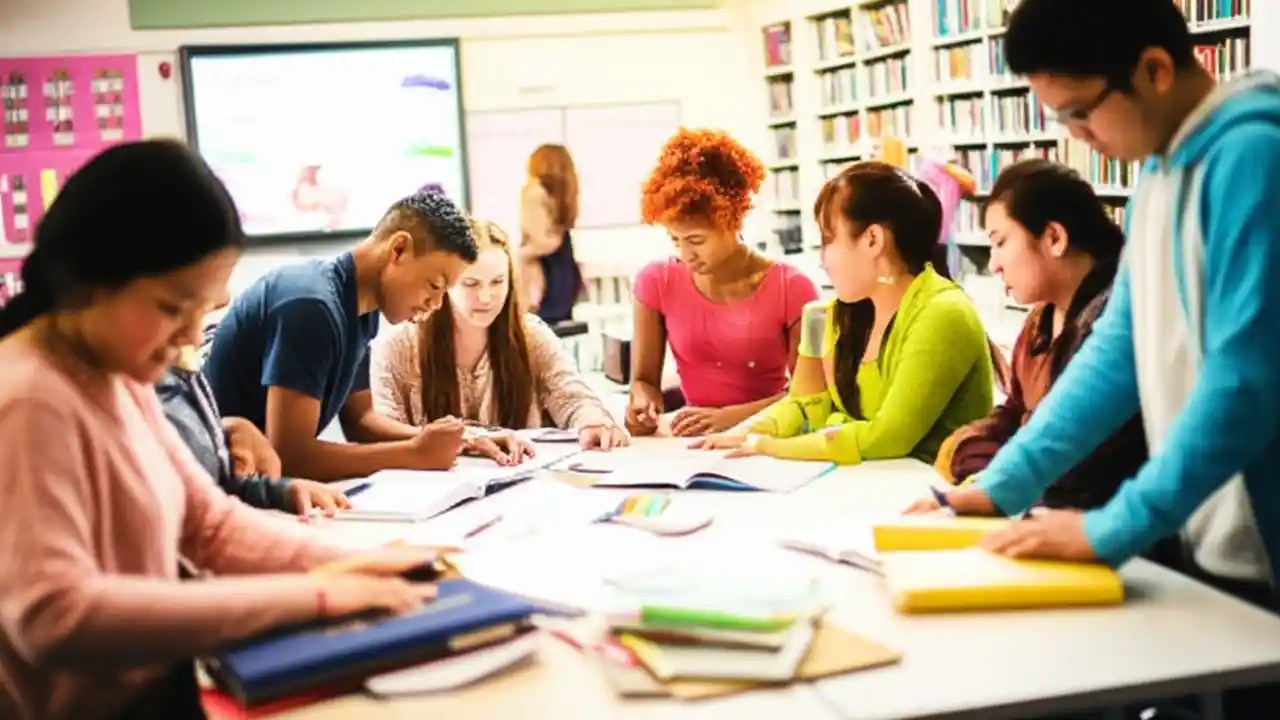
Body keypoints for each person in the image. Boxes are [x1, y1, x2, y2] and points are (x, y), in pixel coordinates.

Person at [0, 140, 440, 720]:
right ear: (91, 278)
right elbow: (55, 616)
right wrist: (315, 595)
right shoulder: (32, 396)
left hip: (157, 688)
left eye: (200, 311)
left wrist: (339, 561)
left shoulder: (117, 372)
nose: (189, 338)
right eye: (169, 307)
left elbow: (207, 522)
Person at [909, 0, 1280, 617]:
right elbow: (1117, 352)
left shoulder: (1253, 159)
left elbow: (1246, 380)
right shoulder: (1157, 178)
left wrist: (1110, 527)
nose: (1076, 136)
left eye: (1080, 112)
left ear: (1154, 70)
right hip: (1214, 530)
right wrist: (1004, 484)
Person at [203, 191, 519, 482]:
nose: (436, 305)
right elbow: (290, 457)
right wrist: (414, 454)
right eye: (434, 286)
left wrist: (461, 440)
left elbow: (362, 420)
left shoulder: (361, 311)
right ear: (398, 249)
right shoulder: (312, 307)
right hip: (220, 480)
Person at [696, 161, 994, 465]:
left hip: (936, 495)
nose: (822, 259)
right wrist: (744, 433)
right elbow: (803, 405)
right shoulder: (829, 317)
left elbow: (887, 438)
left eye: (828, 240)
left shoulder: (943, 314)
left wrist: (768, 446)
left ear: (872, 240)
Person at [933, 159, 1146, 511]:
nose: (993, 264)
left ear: (1054, 238)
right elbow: (1017, 411)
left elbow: (1087, 463)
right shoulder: (1041, 319)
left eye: (1000, 243)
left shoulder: (1111, 320)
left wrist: (991, 480)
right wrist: (970, 453)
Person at [373, 218, 628, 453]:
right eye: (471, 284)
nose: (485, 298)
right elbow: (382, 433)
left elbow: (572, 395)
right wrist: (465, 442)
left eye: (497, 282)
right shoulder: (398, 346)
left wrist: (593, 421)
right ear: (445, 283)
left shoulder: (531, 335)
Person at [627, 128, 819, 438]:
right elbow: (643, 382)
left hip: (768, 441)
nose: (685, 254)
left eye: (696, 240)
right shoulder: (656, 282)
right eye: (675, 239)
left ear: (731, 219)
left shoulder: (793, 289)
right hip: (692, 446)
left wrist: (730, 419)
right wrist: (642, 403)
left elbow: (809, 399)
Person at [159, 345, 352, 518]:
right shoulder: (150, 381)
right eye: (172, 309)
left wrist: (281, 493)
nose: (196, 335)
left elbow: (216, 490)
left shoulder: (183, 363)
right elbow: (295, 455)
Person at [519, 144, 583, 325]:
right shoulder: (563, 198)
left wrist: (519, 256)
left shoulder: (533, 191)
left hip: (544, 275)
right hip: (563, 273)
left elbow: (540, 240)